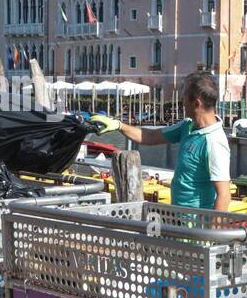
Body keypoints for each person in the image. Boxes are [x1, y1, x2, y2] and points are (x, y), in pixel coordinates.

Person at [89, 72, 232, 211]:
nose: (182, 102)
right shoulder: (187, 126)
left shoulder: (214, 141)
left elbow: (224, 194)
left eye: (184, 97)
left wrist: (209, 233)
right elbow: (150, 136)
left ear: (197, 103)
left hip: (197, 225)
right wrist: (118, 125)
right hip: (179, 219)